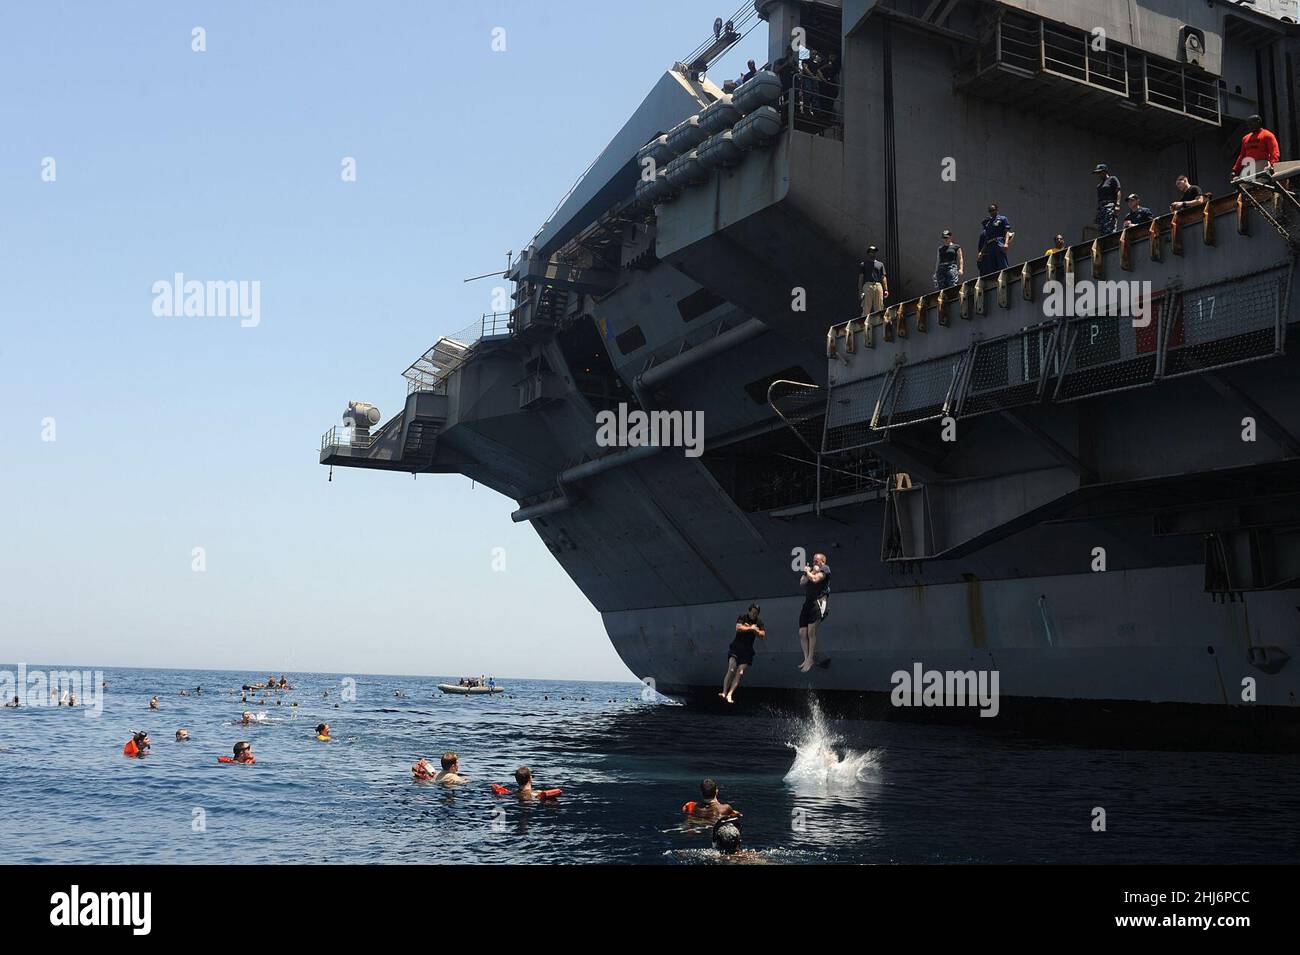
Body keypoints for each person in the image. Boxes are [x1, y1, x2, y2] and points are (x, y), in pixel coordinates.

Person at [720, 604, 766, 704]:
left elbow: (762, 635)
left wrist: (756, 631)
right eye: (753, 612)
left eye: (756, 613)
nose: (754, 614)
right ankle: (724, 691)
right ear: (749, 611)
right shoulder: (743, 617)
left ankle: (730, 694)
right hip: (736, 647)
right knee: (732, 668)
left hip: (747, 650)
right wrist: (751, 628)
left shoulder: (759, 622)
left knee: (740, 673)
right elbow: (738, 627)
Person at [798, 552, 831, 673]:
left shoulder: (825, 569)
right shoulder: (811, 569)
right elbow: (802, 582)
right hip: (808, 602)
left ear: (822, 561)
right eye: (813, 561)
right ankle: (806, 658)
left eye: (816, 561)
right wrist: (808, 571)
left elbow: (815, 579)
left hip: (819, 602)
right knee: (802, 632)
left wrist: (808, 572)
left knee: (811, 631)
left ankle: (811, 658)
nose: (814, 562)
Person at [1232, 114, 1280, 179]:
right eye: (1248, 124)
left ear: (1258, 122)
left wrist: (1272, 165)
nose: (1249, 126)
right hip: (1248, 166)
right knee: (1244, 186)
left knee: (1262, 184)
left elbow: (1274, 151)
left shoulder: (1267, 135)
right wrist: (1235, 170)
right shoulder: (1245, 138)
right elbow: (1242, 156)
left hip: (1262, 164)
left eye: (1251, 123)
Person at [977, 203, 1013, 275]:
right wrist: (982, 251)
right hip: (990, 246)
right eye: (990, 211)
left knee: (1002, 263)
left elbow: (1007, 232)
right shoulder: (988, 223)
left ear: (997, 210)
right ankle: (995, 281)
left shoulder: (1002, 218)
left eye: (993, 210)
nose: (991, 212)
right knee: (992, 267)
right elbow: (987, 239)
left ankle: (1005, 277)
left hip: (998, 242)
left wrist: (1006, 243)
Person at [1093, 163, 1123, 235]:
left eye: (1100, 172)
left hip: (1110, 205)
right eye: (1097, 173)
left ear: (1105, 172)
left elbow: (1118, 191)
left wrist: (1117, 205)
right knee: (1101, 228)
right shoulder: (1099, 185)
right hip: (1101, 207)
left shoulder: (1112, 179)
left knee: (1109, 226)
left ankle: (1110, 240)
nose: (1099, 174)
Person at [859, 248, 888, 316]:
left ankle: (879, 323)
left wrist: (886, 289)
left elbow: (883, 277)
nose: (873, 253)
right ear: (868, 253)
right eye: (871, 252)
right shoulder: (863, 264)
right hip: (867, 285)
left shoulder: (880, 264)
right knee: (866, 306)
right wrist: (860, 291)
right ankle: (865, 324)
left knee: (879, 306)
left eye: (874, 252)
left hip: (878, 285)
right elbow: (861, 278)